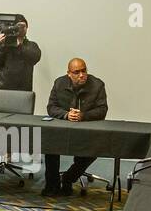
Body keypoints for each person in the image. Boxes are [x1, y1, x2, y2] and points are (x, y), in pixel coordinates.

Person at [43, 58, 108, 196]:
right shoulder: (59, 83)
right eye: (77, 72)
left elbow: (102, 110)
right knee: (50, 144)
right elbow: (51, 107)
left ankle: (68, 178)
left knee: (95, 149)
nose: (81, 75)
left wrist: (83, 115)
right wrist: (66, 115)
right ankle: (52, 186)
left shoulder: (97, 85)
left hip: (87, 129)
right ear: (69, 74)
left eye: (84, 70)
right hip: (63, 128)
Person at [0, 15, 42, 93]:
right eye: (18, 26)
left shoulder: (31, 45)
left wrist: (20, 46)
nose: (21, 29)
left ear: (27, 28)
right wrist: (0, 45)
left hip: (24, 88)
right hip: (4, 87)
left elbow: (35, 58)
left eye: (23, 26)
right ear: (13, 27)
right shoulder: (4, 45)